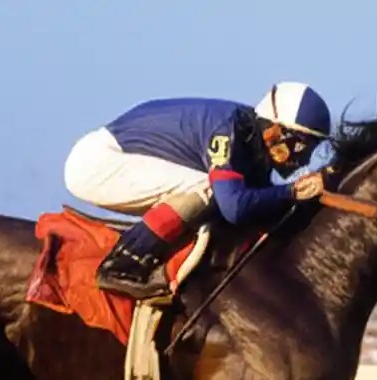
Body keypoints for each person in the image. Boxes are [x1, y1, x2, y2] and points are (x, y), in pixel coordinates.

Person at [63, 82, 332, 300]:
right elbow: (235, 208)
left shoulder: (251, 136)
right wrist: (292, 192)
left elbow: (260, 203)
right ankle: (122, 266)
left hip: (124, 152)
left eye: (310, 148)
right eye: (300, 144)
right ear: (274, 130)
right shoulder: (228, 133)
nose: (304, 158)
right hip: (98, 163)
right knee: (211, 189)